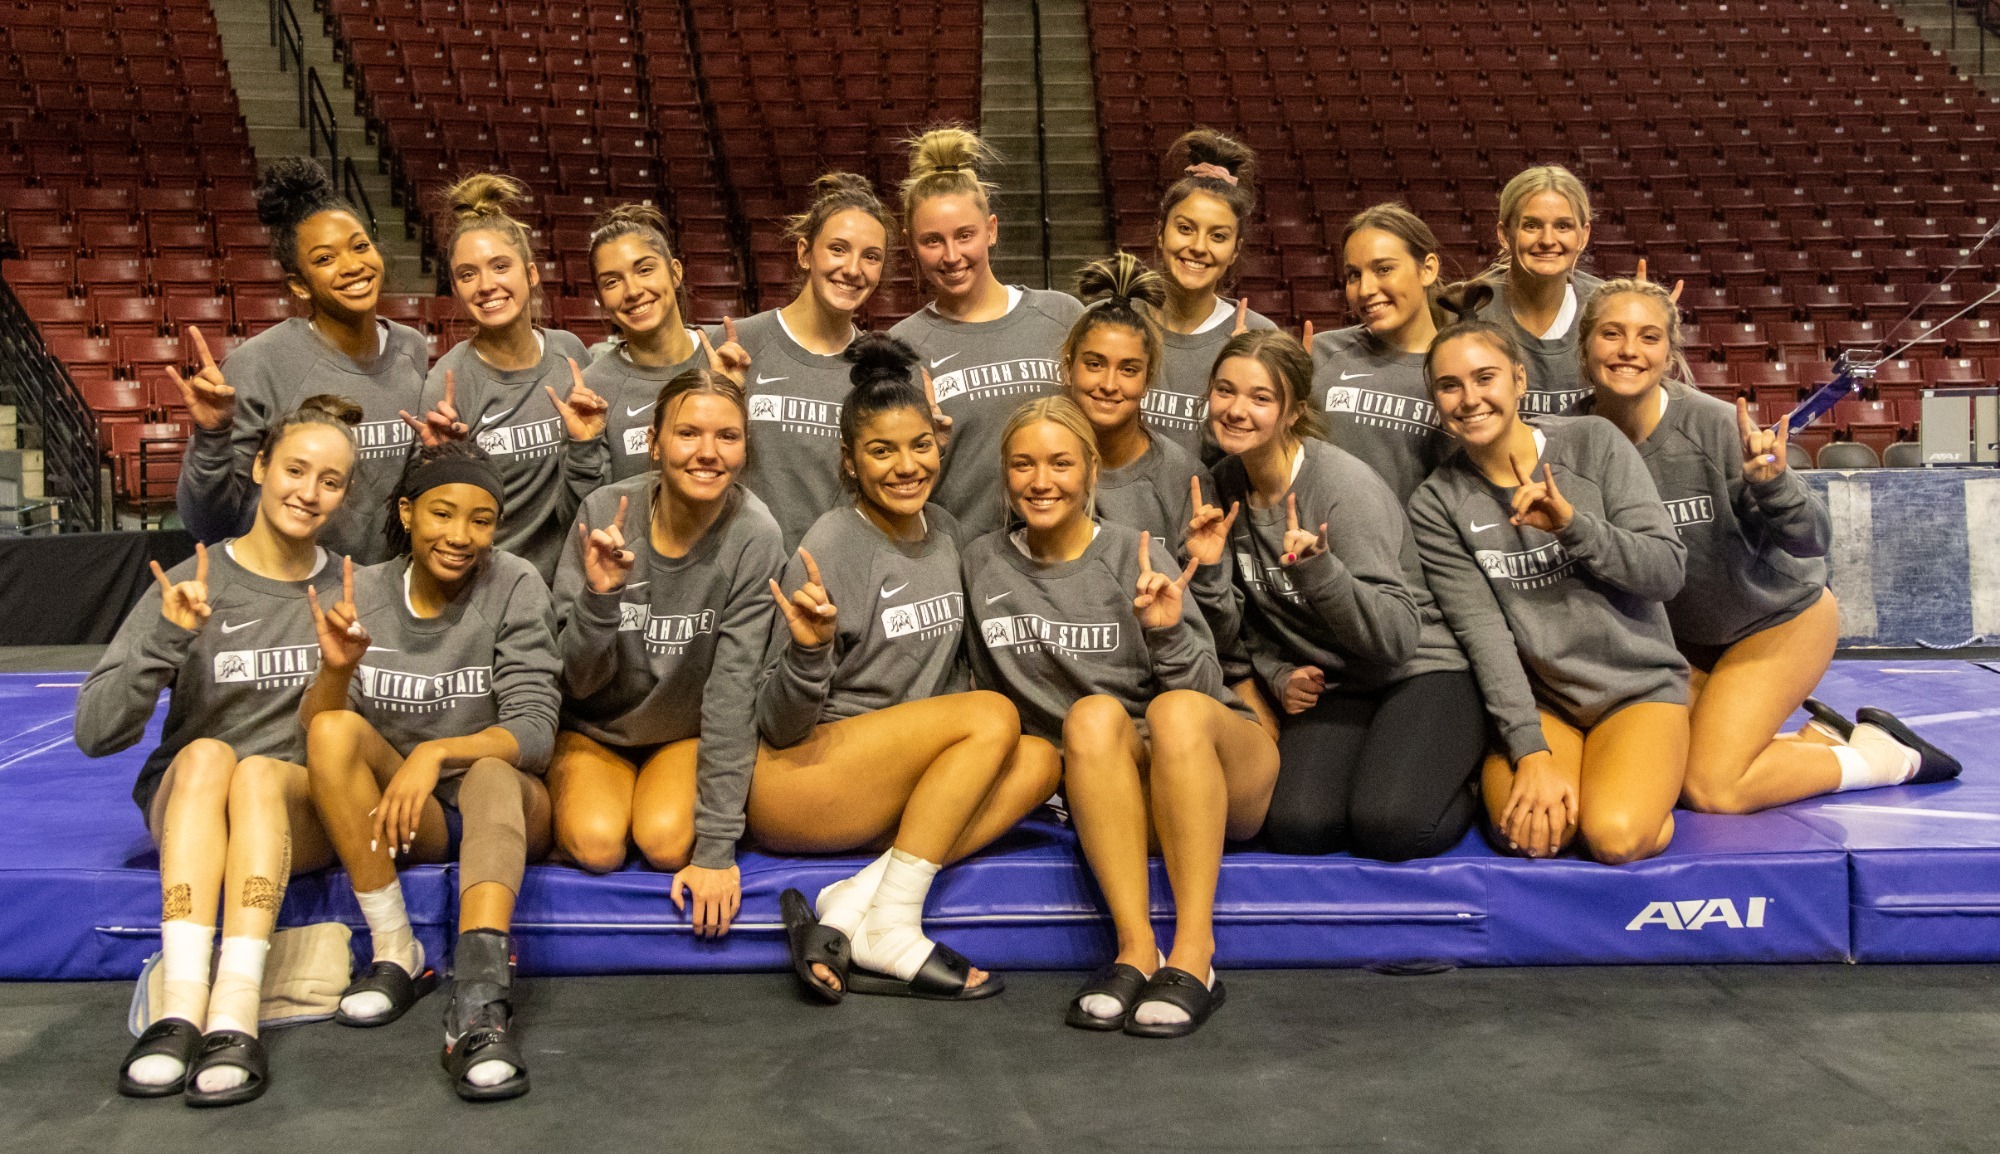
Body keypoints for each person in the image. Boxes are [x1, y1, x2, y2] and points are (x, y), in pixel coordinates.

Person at [1574, 279, 1959, 811]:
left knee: (1711, 787)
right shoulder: (1566, 438)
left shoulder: (1711, 426)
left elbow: (1812, 541)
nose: (1628, 351)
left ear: (1670, 352)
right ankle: (1816, 738)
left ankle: (1886, 756)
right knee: (1651, 768)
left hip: (1774, 621)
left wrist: (1774, 487)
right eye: (1611, 334)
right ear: (1584, 345)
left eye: (1649, 336)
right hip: (1675, 646)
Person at [758, 334, 1062, 1003]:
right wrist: (809, 651)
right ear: (849, 460)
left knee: (1041, 761)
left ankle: (846, 907)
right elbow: (777, 726)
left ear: (940, 444)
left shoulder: (947, 532)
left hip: (894, 777)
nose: (906, 465)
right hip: (805, 775)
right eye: (881, 450)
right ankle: (891, 927)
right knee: (993, 715)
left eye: (919, 445)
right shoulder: (831, 544)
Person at [963, 396, 1278, 1038]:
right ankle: (1136, 950)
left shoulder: (1133, 555)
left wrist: (1164, 632)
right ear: (1004, 473)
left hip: (1213, 764)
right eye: (1023, 464)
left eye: (1060, 463)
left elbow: (1203, 689)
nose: (1041, 481)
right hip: (1113, 785)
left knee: (1175, 711)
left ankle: (1196, 954)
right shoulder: (980, 563)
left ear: (1090, 472)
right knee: (1090, 716)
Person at [85, 397, 361, 1106]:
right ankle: (180, 1009)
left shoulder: (356, 589)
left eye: (331, 481)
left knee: (261, 773)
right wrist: (164, 642)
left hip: (292, 806)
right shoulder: (193, 581)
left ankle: (235, 1013)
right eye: (296, 470)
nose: (309, 492)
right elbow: (96, 732)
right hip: (193, 800)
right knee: (212, 756)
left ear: (346, 494)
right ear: (260, 467)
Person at [299, 442, 561, 1102]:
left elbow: (534, 732)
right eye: (443, 514)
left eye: (481, 519)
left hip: (502, 800)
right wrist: (335, 668)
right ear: (409, 513)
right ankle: (397, 951)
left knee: (494, 774)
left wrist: (437, 751)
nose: (461, 535)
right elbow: (318, 736)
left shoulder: (516, 583)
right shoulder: (364, 590)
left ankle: (478, 1003)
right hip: (410, 811)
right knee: (332, 729)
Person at [1408, 320, 1689, 865]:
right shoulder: (1436, 502)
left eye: (1485, 377)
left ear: (1518, 379)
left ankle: (1644, 786)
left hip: (1635, 688)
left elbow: (1666, 571)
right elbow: (1483, 634)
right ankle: (1582, 779)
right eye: (1449, 386)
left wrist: (1572, 527)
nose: (1470, 399)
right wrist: (1529, 748)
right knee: (1534, 837)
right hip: (1545, 701)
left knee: (1613, 838)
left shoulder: (1592, 442)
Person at [1206, 331, 1485, 860]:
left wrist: (1321, 573)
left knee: (1391, 825)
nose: (1237, 410)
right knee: (1297, 826)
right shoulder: (1221, 487)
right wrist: (1276, 673)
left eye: (1261, 397)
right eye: (1225, 391)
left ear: (1293, 412)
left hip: (1420, 669)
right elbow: (1251, 623)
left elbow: (1398, 637)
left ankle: (1472, 775)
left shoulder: (1342, 488)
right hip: (1337, 683)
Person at [543, 367, 784, 950]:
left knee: (669, 843)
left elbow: (734, 690)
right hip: (595, 728)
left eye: (728, 436)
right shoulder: (606, 511)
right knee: (599, 844)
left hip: (681, 732)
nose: (708, 452)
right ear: (654, 442)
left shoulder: (755, 535)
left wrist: (717, 851)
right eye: (688, 434)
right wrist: (600, 599)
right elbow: (571, 679)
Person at [177, 158, 427, 563]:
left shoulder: (411, 348)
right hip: (294, 597)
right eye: (325, 259)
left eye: (360, 246)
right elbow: (206, 523)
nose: (352, 266)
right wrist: (211, 438)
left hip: (387, 596)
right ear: (300, 285)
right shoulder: (258, 364)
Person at [403, 174, 607, 581]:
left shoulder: (570, 353)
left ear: (531, 274)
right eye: (467, 274)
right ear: (456, 290)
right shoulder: (448, 382)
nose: (486, 286)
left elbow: (586, 500)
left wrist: (585, 449)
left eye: (500, 266)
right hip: (488, 588)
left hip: (574, 582)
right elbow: (436, 524)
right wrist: (455, 468)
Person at [889, 125, 1085, 537]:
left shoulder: (1062, 315)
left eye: (965, 235)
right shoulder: (902, 347)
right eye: (932, 241)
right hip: (960, 562)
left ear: (991, 230)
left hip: (1061, 557)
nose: (952, 256)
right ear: (910, 244)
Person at [697, 173, 898, 550]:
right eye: (838, 249)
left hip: (837, 580)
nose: (854, 269)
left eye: (871, 256)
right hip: (742, 582)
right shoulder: (730, 347)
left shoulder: (881, 368)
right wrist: (723, 396)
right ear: (805, 253)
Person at [1061, 253, 1242, 666]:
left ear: (1147, 378)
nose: (1109, 384)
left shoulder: (1185, 479)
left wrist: (1209, 573)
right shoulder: (1042, 470)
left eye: (1128, 369)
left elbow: (1224, 638)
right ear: (1068, 368)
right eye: (1094, 365)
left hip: (1168, 674)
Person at [1311, 203, 1451, 503]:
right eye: (1353, 275)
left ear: (1427, 268)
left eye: (1384, 269)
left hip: (1423, 548)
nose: (1365, 290)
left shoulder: (1463, 369)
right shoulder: (1321, 354)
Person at [1148, 128, 1275, 457]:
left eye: (1218, 236)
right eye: (1185, 228)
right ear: (1161, 233)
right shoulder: (1115, 319)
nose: (1198, 248)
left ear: (1235, 250)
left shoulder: (1260, 338)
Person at [580, 203, 710, 483]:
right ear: (601, 299)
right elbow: (584, 511)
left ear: (675, 272)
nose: (633, 291)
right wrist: (582, 450)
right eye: (612, 282)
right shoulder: (594, 388)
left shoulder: (729, 354)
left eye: (645, 270)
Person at [1460, 165, 1604, 414]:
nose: (1547, 240)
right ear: (1505, 235)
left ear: (1584, 235)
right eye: (1531, 226)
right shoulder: (1464, 306)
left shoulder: (1608, 307)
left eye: (1563, 226)